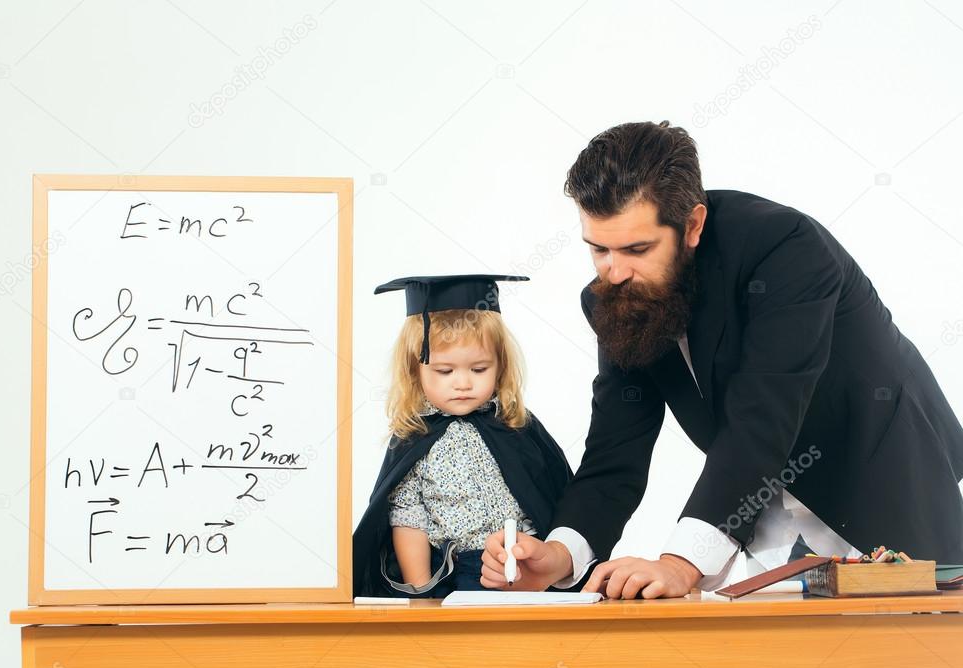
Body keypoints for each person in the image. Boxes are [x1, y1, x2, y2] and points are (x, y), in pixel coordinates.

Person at [481, 121, 963, 599]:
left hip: (882, 476)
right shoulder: (615, 295)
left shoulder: (786, 246)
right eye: (598, 249)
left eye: (637, 248)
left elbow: (764, 412)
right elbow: (616, 445)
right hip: (757, 505)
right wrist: (561, 554)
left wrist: (680, 562)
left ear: (692, 225)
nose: (615, 271)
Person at [353, 274, 573, 597]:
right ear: (415, 370)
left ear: (501, 366)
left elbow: (551, 494)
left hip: (524, 570)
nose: (463, 383)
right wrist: (420, 592)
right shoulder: (415, 438)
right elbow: (409, 520)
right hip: (457, 575)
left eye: (479, 369)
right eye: (445, 371)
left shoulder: (516, 426)